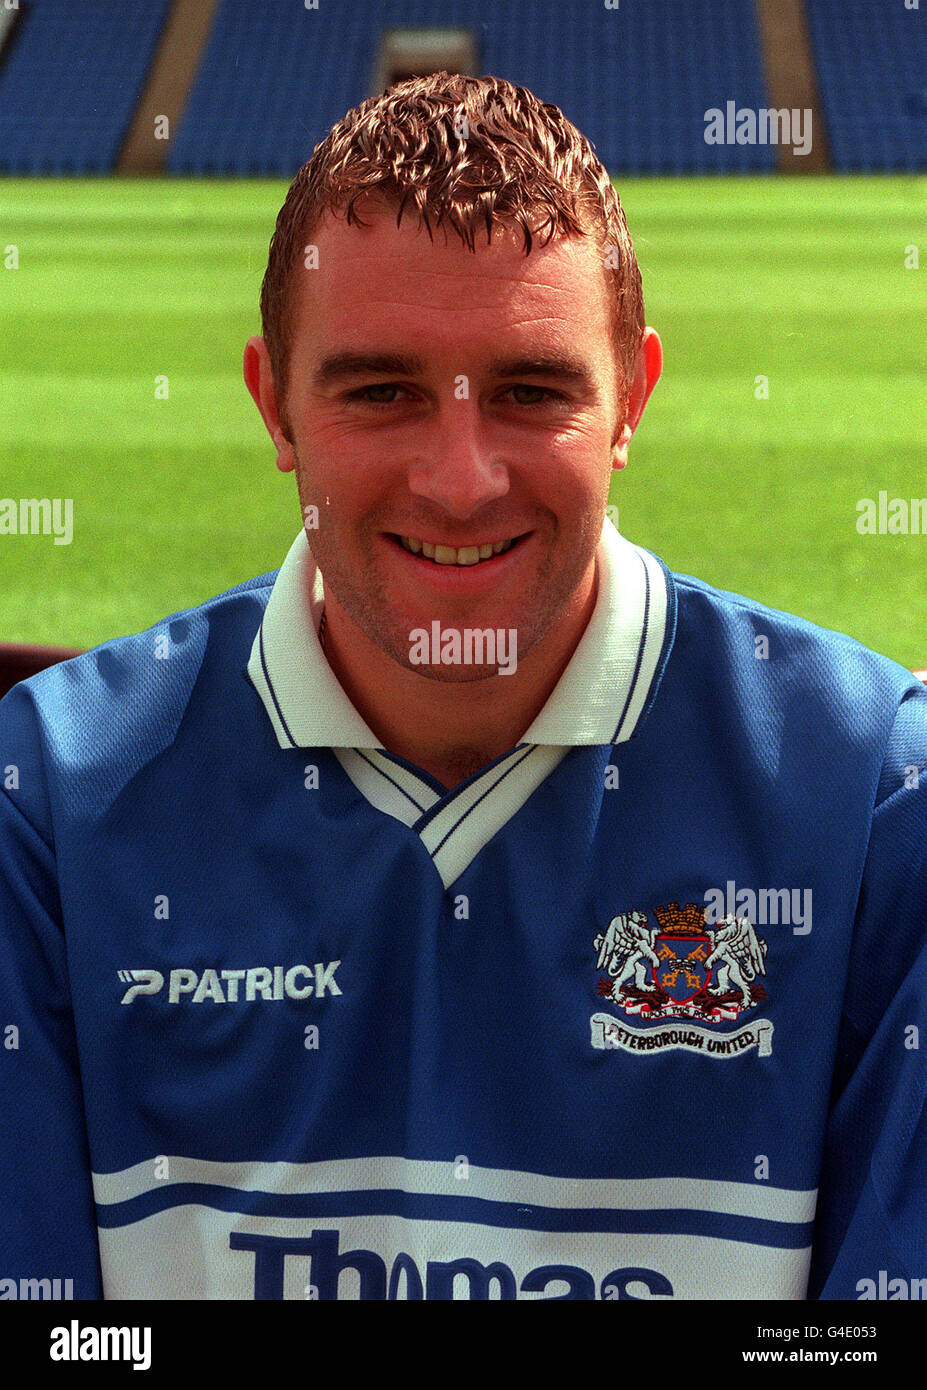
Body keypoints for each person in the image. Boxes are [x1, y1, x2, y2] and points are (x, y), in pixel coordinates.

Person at [0, 71, 924, 1302]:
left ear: (632, 400)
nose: (459, 478)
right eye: (380, 391)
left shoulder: (874, 802)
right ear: (274, 403)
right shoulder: (48, 801)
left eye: (531, 391)